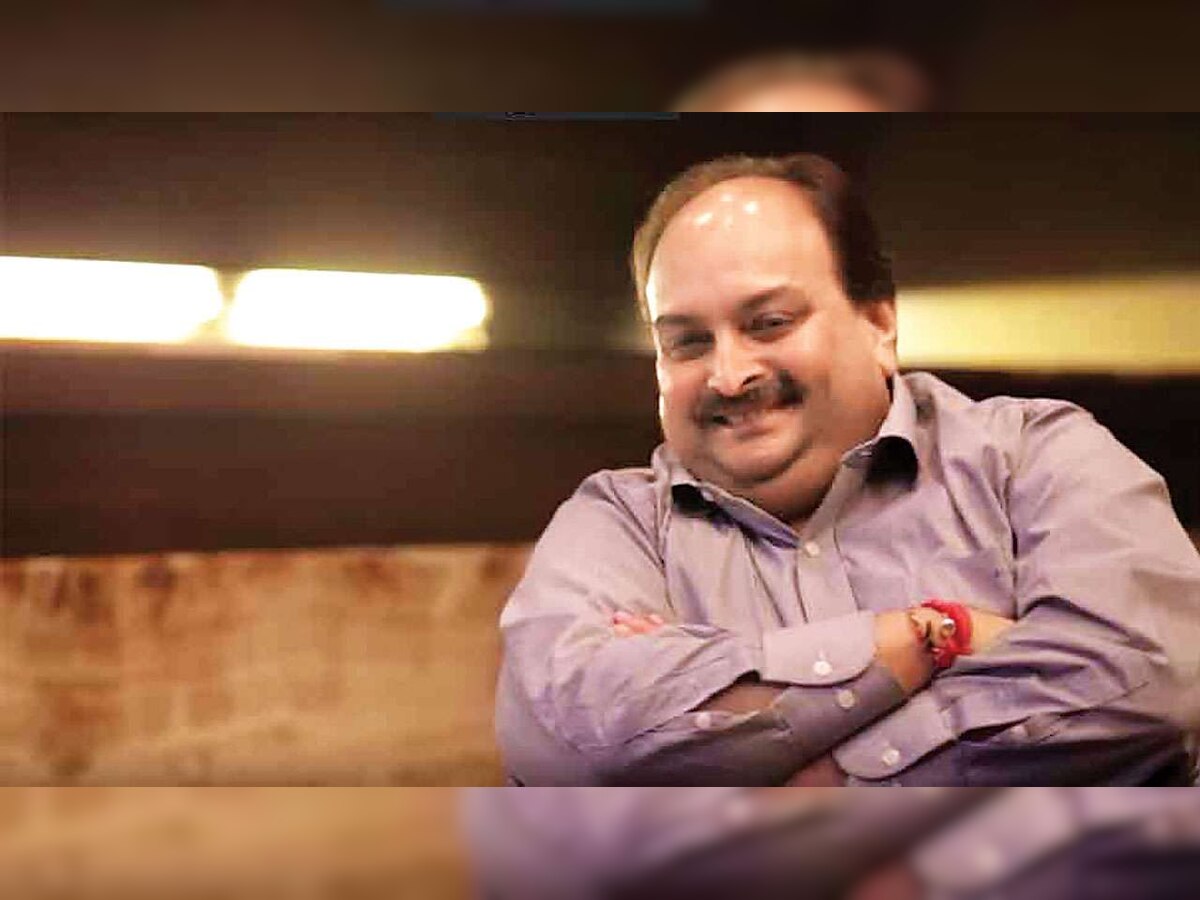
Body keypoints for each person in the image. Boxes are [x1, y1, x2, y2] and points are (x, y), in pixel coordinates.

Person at [494, 152, 1200, 786]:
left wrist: (810, 777)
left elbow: (1153, 686)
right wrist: (931, 638)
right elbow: (567, 748)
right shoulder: (615, 525)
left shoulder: (1036, 456)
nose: (729, 374)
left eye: (769, 322)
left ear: (880, 324)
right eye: (688, 342)